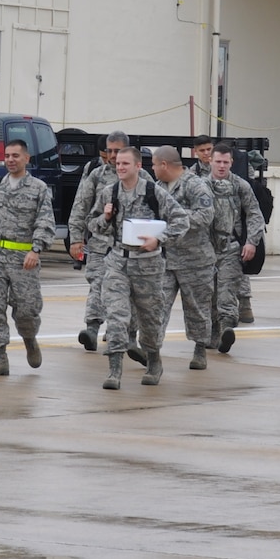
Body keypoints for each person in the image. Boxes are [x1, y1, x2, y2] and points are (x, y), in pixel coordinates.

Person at [89, 146, 189, 387]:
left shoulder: (154, 193)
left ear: (137, 166)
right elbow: (92, 224)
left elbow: (182, 220)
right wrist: (106, 218)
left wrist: (159, 239)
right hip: (117, 263)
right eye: (117, 164)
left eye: (125, 164)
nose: (120, 167)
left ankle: (154, 360)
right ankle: (114, 370)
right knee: (116, 316)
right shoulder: (109, 193)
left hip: (149, 266)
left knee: (150, 319)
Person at [0, 139, 52, 377]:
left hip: (24, 259)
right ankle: (0, 357)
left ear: (27, 159)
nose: (11, 160)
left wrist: (35, 249)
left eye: (16, 156)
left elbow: (45, 221)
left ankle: (29, 338)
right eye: (7, 156)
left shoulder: (38, 189)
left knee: (26, 311)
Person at [150, 146, 220, 371]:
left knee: (197, 308)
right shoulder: (158, 188)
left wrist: (177, 217)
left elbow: (206, 215)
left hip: (195, 260)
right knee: (157, 305)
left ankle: (200, 348)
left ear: (164, 165)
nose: (152, 169)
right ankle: (152, 350)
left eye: (154, 164)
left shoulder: (195, 185)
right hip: (165, 259)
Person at [67, 132, 128, 352]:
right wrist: (76, 240)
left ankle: (121, 332)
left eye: (117, 151)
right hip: (100, 243)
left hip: (129, 248)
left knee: (126, 291)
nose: (112, 155)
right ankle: (91, 329)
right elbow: (80, 206)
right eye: (109, 151)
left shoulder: (142, 178)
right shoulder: (96, 175)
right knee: (97, 285)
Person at [207, 143, 265, 344]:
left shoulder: (241, 186)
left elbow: (255, 215)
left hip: (231, 248)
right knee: (208, 294)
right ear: (210, 161)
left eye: (225, 162)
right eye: (218, 162)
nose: (221, 166)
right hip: (206, 250)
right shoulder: (200, 186)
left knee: (226, 292)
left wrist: (251, 242)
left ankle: (226, 328)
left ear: (231, 162)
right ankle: (213, 334)